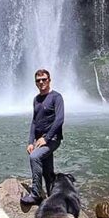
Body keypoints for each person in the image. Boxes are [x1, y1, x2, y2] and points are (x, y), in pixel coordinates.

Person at [21, 68, 64, 205]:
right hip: (40, 141)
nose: (41, 82)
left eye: (44, 79)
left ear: (49, 80)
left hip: (52, 139)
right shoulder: (36, 99)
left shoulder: (56, 97)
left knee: (35, 157)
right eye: (38, 80)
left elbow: (59, 119)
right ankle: (53, 198)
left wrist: (46, 138)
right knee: (47, 171)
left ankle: (36, 194)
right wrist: (30, 142)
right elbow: (34, 121)